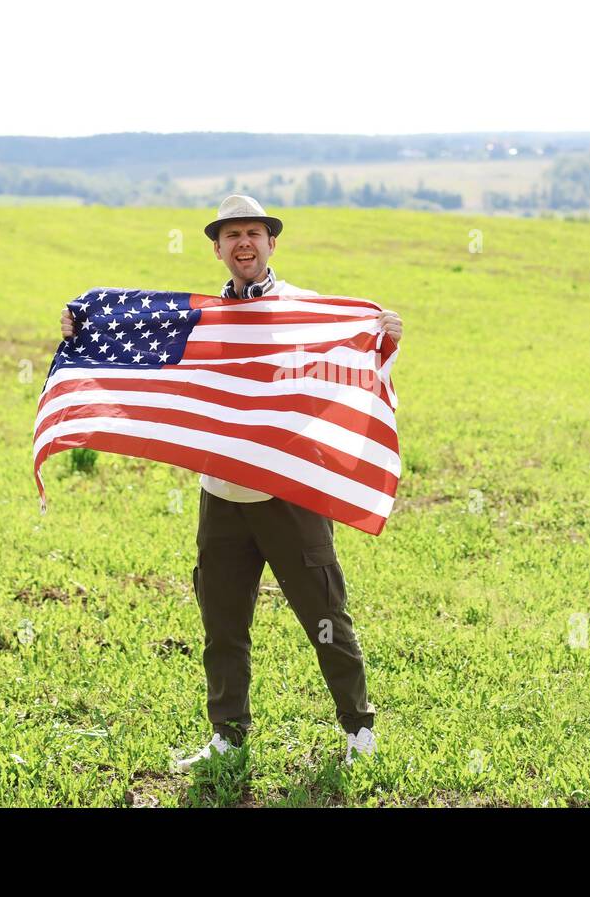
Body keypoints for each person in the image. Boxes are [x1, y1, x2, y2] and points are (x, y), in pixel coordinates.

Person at [58, 194, 402, 770]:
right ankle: (228, 736)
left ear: (271, 242)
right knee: (222, 622)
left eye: (254, 232)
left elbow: (354, 362)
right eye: (232, 235)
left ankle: (358, 730)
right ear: (217, 248)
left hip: (289, 493)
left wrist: (383, 334)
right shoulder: (201, 321)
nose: (244, 243)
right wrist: (81, 327)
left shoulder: (307, 310)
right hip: (221, 496)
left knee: (324, 615)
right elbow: (135, 344)